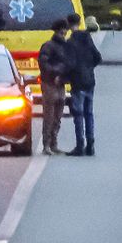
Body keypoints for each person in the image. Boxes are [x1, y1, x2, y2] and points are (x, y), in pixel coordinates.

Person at [66, 13, 102, 156]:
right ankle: (90, 144)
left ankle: (80, 145)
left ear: (69, 25)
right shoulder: (87, 38)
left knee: (78, 114)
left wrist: (68, 76)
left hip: (77, 82)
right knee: (89, 113)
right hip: (89, 81)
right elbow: (98, 57)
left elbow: (69, 63)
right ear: (80, 22)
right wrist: (89, 68)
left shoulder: (70, 43)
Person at [37, 19, 71, 156]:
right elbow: (43, 64)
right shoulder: (48, 46)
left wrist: (63, 77)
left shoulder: (65, 47)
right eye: (62, 30)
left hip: (60, 84)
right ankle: (47, 144)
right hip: (49, 83)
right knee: (49, 115)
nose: (64, 32)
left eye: (65, 29)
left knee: (57, 116)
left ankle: (53, 143)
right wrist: (56, 74)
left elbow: (69, 64)